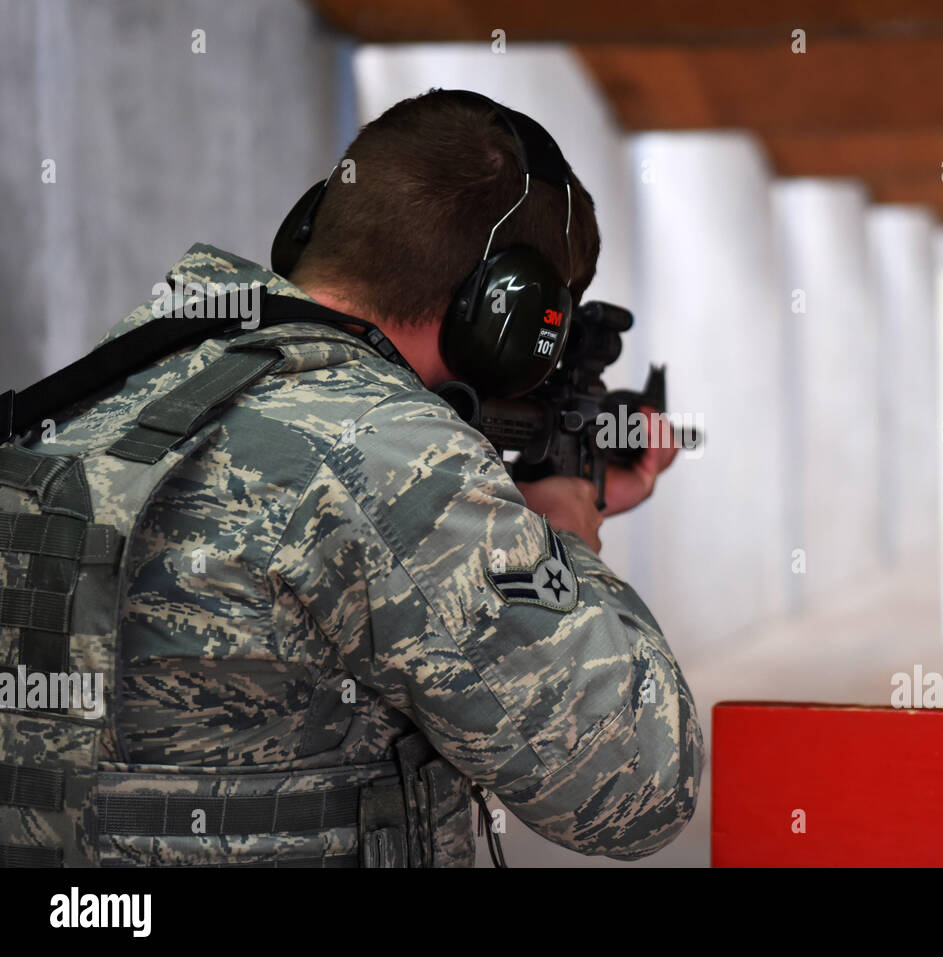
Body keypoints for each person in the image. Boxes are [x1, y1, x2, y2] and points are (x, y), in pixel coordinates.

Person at [0, 89, 702, 868]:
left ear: (310, 227)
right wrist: (566, 541)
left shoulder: (112, 390)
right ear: (504, 312)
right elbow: (638, 785)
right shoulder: (392, 454)